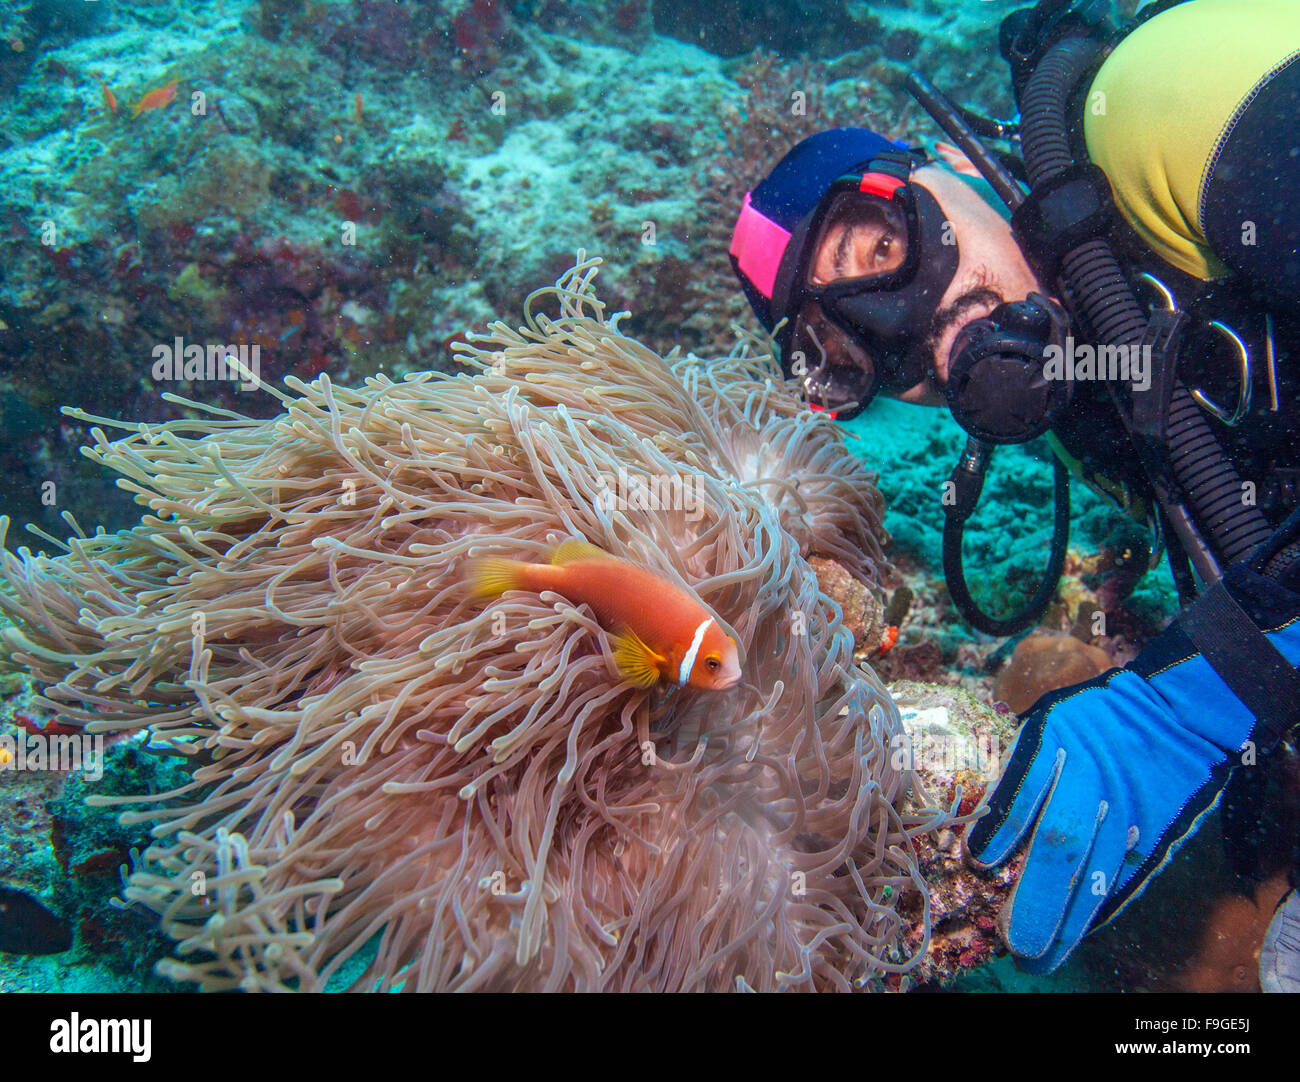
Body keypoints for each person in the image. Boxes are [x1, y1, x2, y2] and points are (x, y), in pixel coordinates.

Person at [728, 0, 1300, 981]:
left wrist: (1217, 678)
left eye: (880, 249)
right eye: (855, 354)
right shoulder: (1094, 392)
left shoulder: (1173, 103)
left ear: (938, 169)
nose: (922, 332)